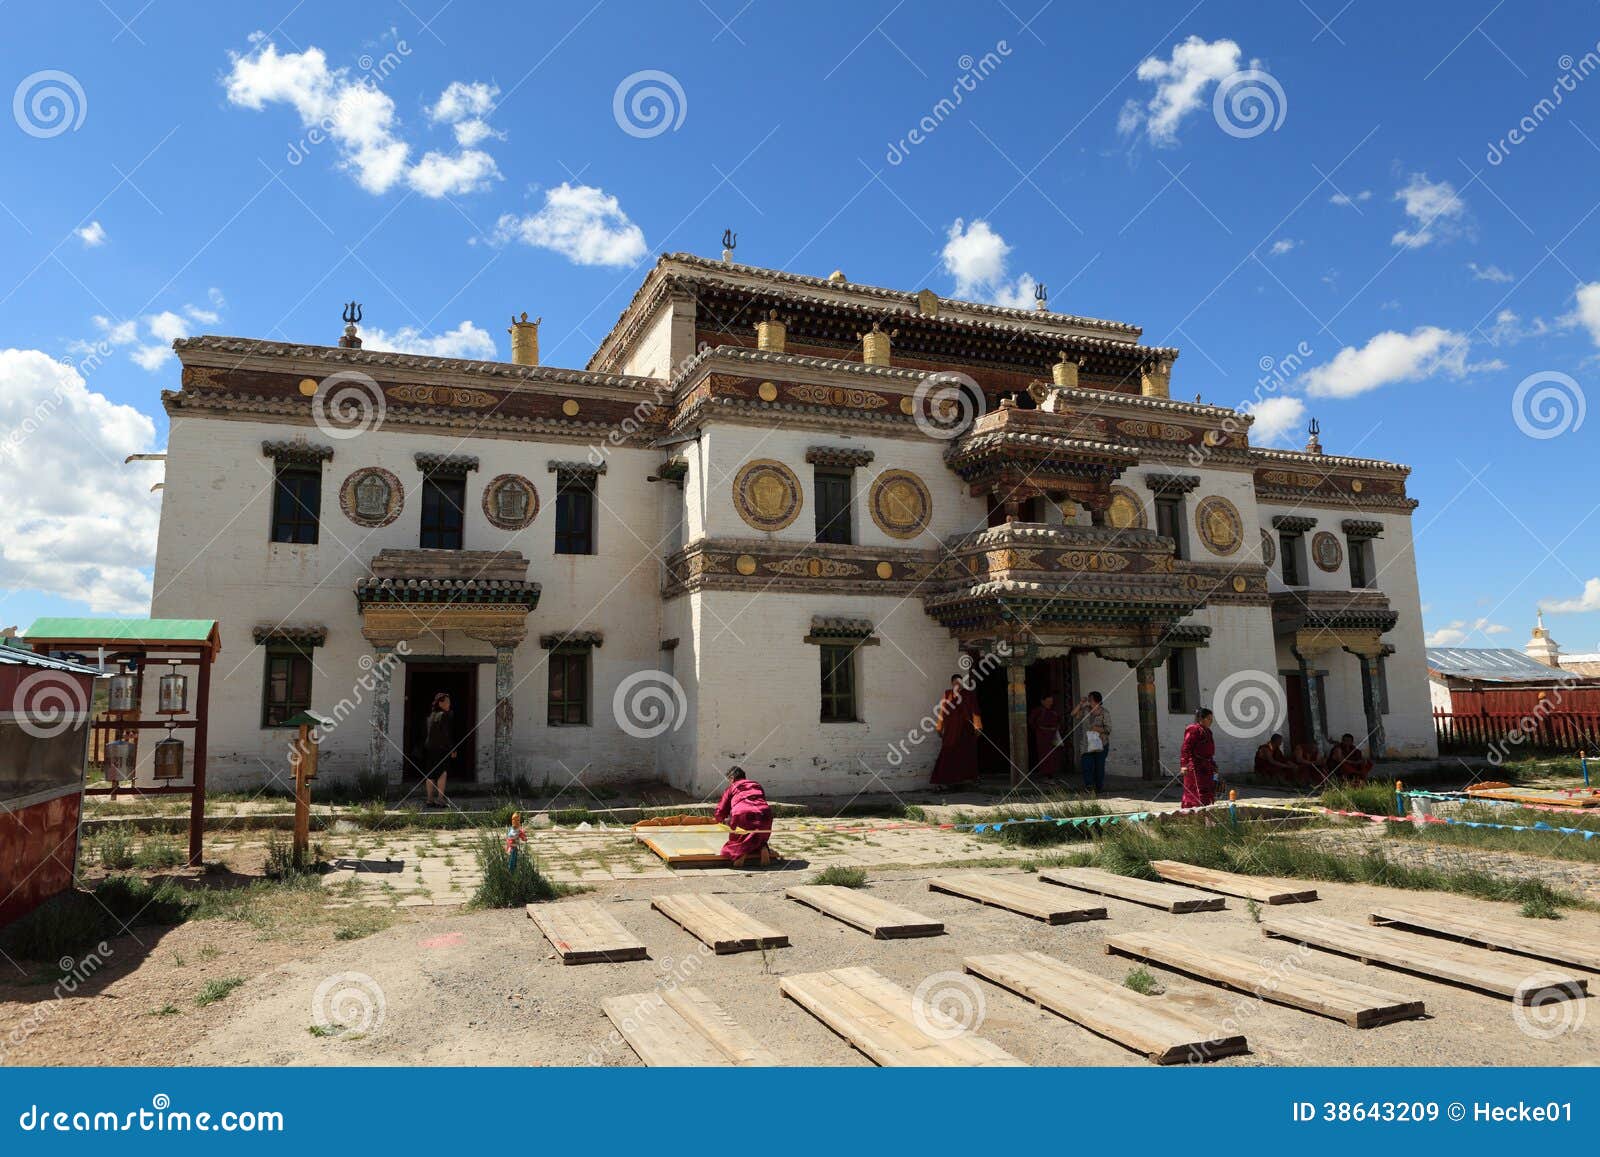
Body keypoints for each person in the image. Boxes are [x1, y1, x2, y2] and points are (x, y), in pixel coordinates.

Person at [930, 675, 983, 790]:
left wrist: (977, 726)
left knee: (966, 754)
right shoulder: (947, 694)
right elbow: (942, 711)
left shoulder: (968, 695)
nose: (957, 685)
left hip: (965, 730)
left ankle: (969, 780)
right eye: (955, 683)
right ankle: (945, 781)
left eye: (959, 682)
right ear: (951, 683)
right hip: (950, 731)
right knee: (947, 754)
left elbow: (975, 711)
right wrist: (939, 727)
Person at [713, 765, 772, 866]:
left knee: (738, 840)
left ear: (732, 778)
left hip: (743, 815)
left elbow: (722, 809)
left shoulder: (732, 787)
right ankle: (763, 848)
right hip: (765, 814)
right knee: (758, 837)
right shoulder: (756, 785)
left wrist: (718, 819)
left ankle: (740, 854)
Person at [422, 691, 455, 807]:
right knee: (442, 772)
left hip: (430, 748)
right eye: (447, 702)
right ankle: (440, 799)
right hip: (441, 749)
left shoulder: (430, 716)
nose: (449, 704)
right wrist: (452, 748)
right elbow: (445, 734)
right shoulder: (444, 715)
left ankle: (429, 799)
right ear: (441, 703)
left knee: (430, 773)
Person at [1180, 707, 1218, 808]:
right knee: (1196, 792)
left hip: (1207, 766)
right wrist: (1184, 765)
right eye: (1209, 718)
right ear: (1202, 718)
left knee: (1208, 790)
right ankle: (1192, 815)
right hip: (1195, 767)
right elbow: (1186, 748)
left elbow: (1209, 751)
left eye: (1211, 718)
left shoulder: (1208, 732)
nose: (1211, 721)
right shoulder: (1193, 729)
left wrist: (1213, 764)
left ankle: (1207, 815)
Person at [1073, 691, 1111, 792]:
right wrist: (1080, 704)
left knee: (1099, 768)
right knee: (1086, 766)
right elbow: (1073, 714)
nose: (1088, 700)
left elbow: (1108, 729)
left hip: (1101, 743)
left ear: (1095, 700)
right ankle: (1089, 786)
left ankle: (1098, 787)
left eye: (1090, 699)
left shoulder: (1104, 713)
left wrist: (1097, 729)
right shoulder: (1086, 710)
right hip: (1086, 744)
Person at [1028, 692, 1064, 780]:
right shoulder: (1038, 710)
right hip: (1042, 736)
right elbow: (1031, 722)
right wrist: (1039, 730)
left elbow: (1059, 721)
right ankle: (1044, 774)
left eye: (1051, 701)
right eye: (1048, 701)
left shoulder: (1054, 711)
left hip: (1053, 736)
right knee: (1044, 755)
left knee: (1053, 755)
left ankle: (1051, 774)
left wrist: (1056, 728)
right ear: (1042, 701)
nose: (1050, 703)